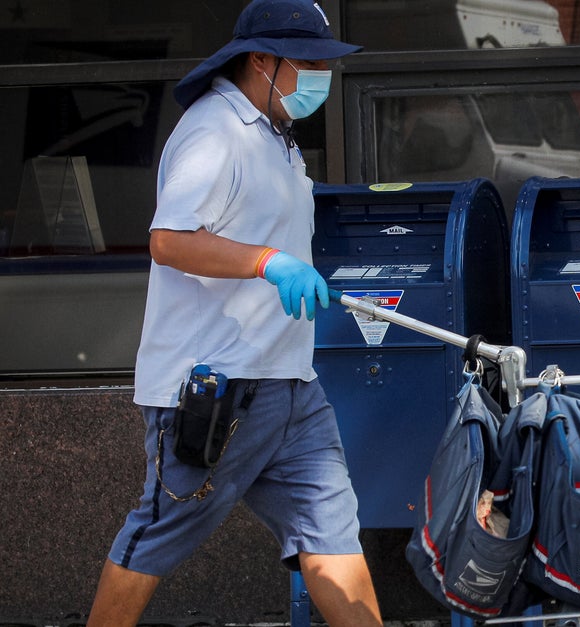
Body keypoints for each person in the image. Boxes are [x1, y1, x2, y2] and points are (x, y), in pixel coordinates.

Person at [85, 2, 383, 625]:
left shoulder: (276, 133)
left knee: (333, 537)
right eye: (306, 62)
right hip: (216, 389)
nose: (319, 76)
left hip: (292, 385)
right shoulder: (213, 131)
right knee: (159, 531)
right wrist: (269, 262)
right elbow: (169, 239)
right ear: (260, 60)